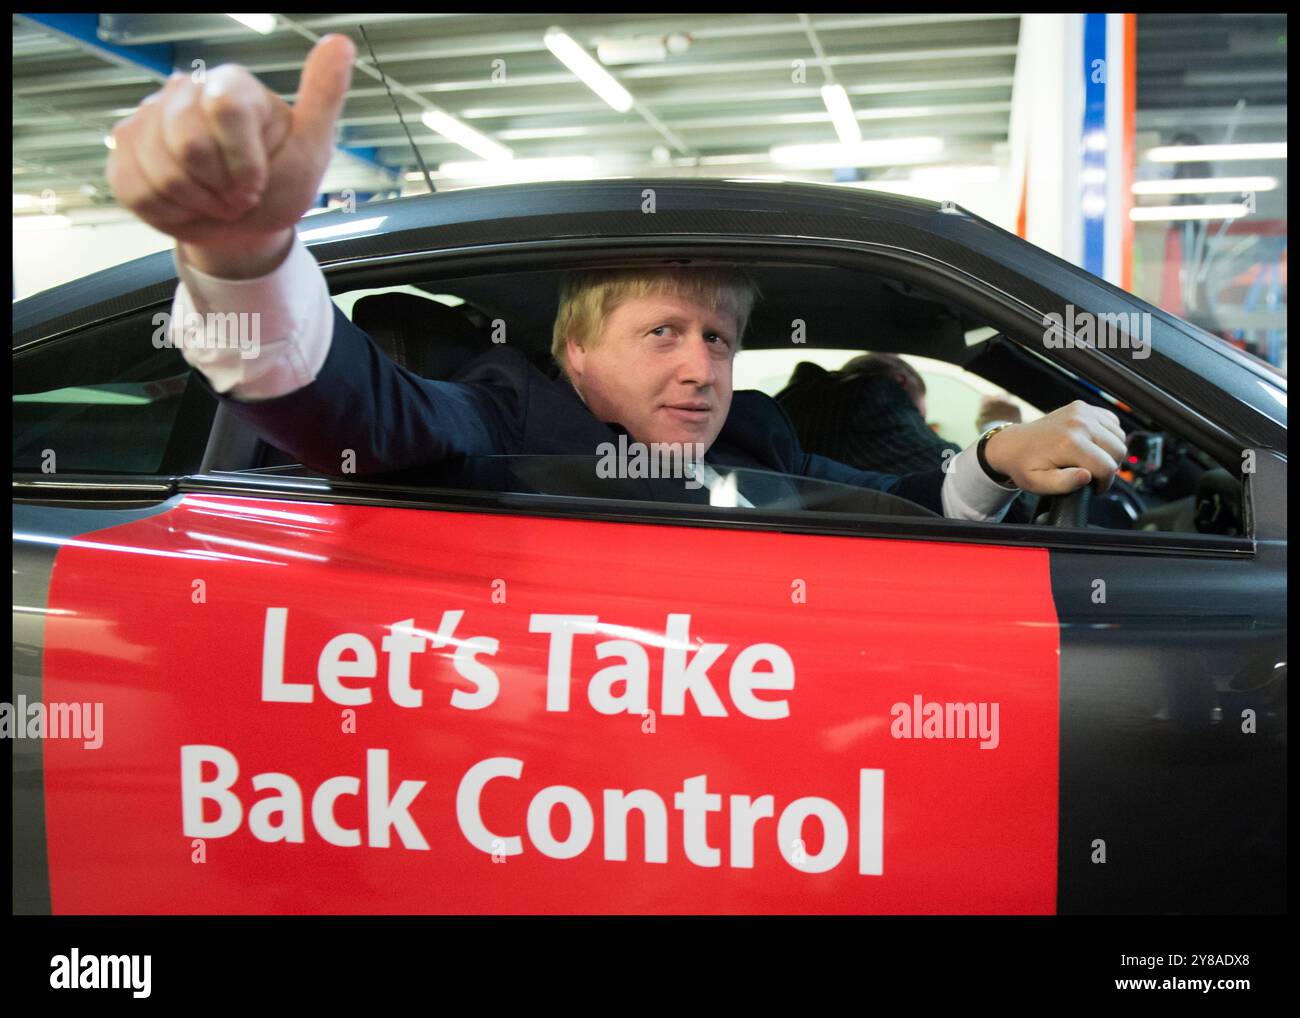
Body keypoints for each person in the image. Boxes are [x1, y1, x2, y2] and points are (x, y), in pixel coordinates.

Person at [106, 34, 1128, 521]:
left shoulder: (756, 433)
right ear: (578, 351)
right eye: (663, 332)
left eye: (718, 339)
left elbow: (893, 504)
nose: (702, 367)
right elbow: (358, 410)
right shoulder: (505, 413)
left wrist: (997, 453)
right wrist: (240, 260)